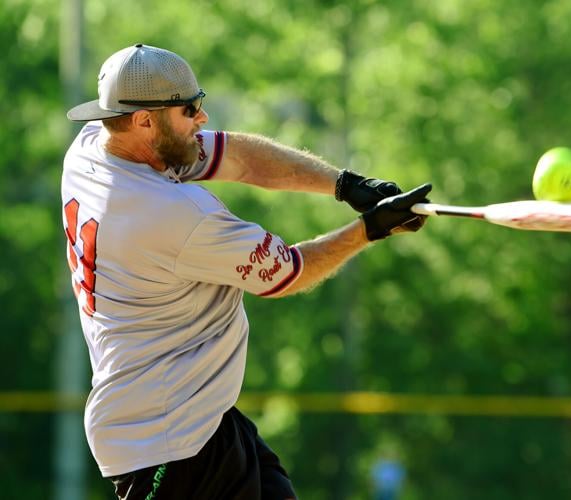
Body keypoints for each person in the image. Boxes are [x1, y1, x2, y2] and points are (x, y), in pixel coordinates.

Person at [62, 43, 431, 499]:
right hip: (165, 446)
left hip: (202, 417)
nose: (202, 118)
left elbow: (240, 158)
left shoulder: (92, 150)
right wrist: (369, 230)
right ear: (144, 120)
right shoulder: (173, 216)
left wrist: (346, 184)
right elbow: (291, 272)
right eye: (190, 109)